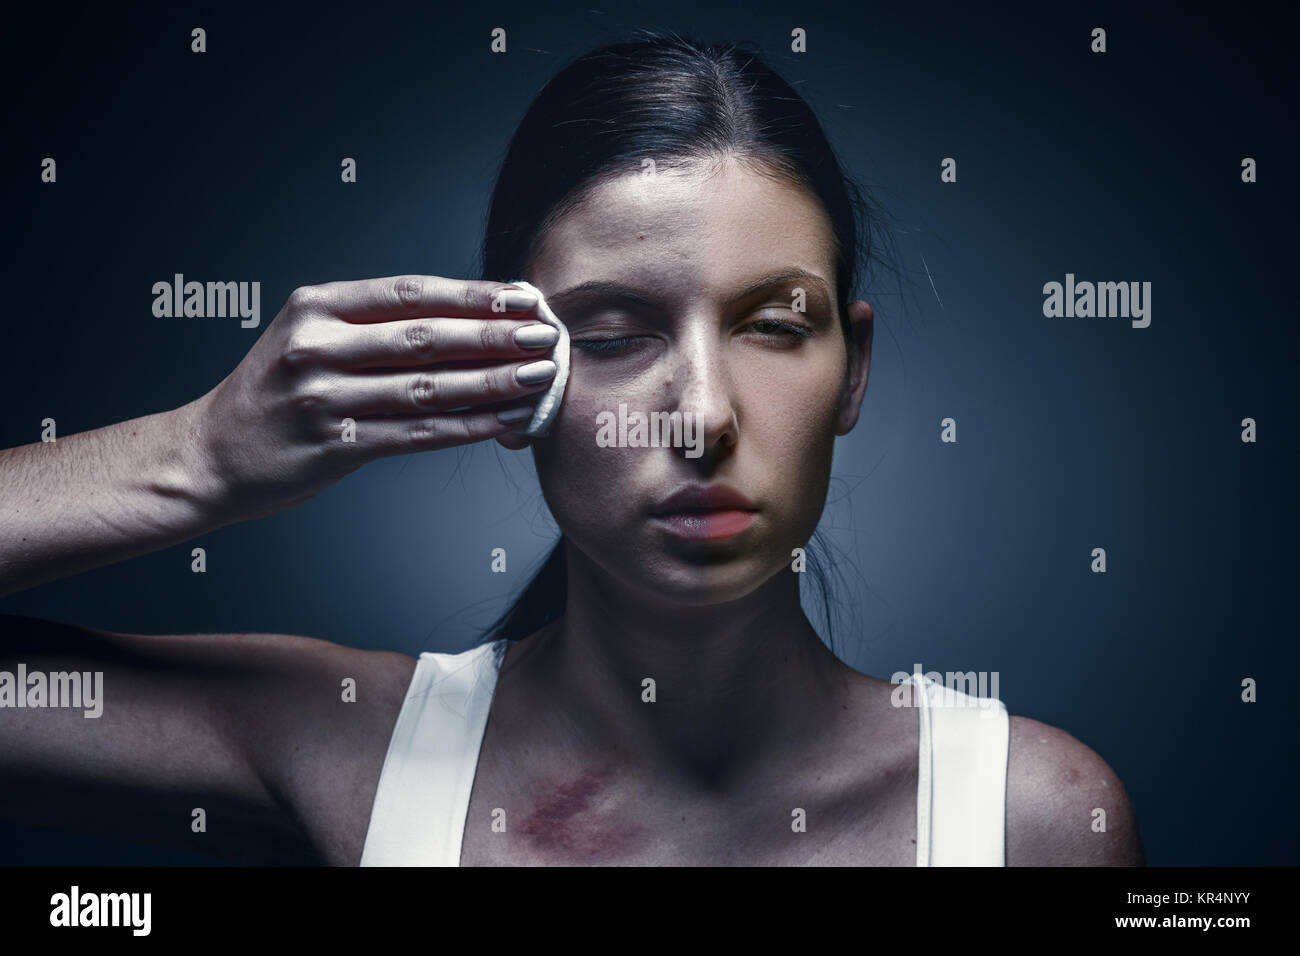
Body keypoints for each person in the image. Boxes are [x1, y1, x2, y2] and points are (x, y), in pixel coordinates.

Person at [0, 30, 1142, 866]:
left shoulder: (1030, 815)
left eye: (774, 325)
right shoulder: (348, 739)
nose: (699, 414)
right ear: (509, 376)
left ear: (853, 369)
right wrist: (192, 455)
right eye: (608, 333)